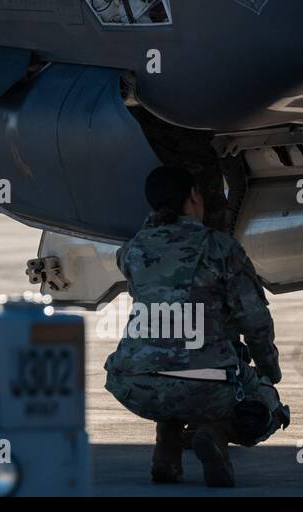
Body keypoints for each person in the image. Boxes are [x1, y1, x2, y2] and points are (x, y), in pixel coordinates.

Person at [104, 165, 289, 487]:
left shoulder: (132, 250)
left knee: (170, 365)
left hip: (134, 384)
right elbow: (254, 319)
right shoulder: (219, 247)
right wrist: (268, 371)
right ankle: (214, 434)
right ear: (193, 196)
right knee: (265, 408)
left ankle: (167, 448)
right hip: (206, 385)